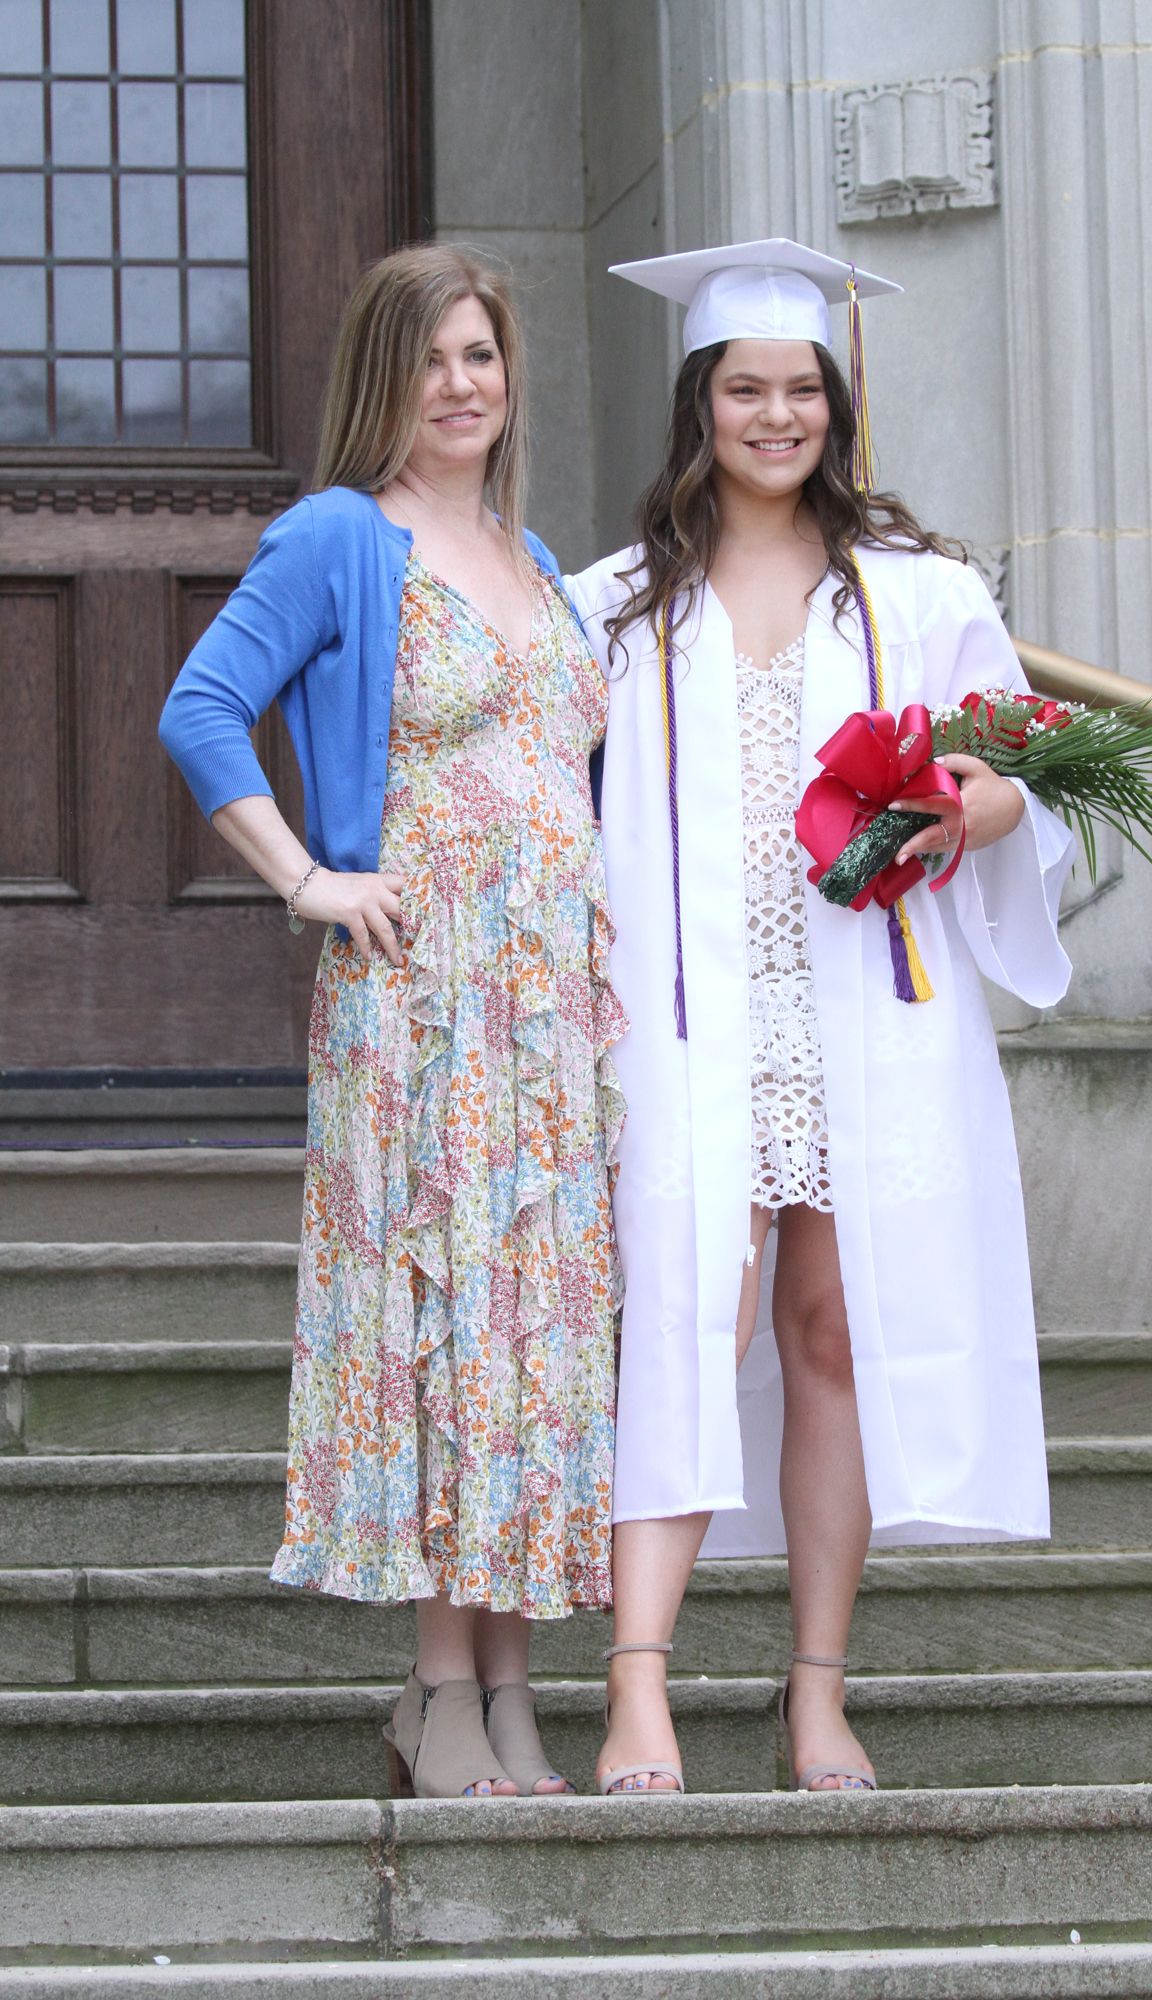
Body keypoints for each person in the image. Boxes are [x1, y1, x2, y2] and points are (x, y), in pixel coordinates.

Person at [564, 239, 1076, 1796]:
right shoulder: (614, 608)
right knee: (684, 1328)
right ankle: (637, 1692)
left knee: (831, 1331)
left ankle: (813, 1696)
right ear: (698, 404)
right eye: (743, 389)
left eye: (799, 390)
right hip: (690, 1025)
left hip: (863, 1010)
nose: (772, 416)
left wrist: (970, 819)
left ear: (835, 407)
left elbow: (1019, 778)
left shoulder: (922, 596)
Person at [160, 244, 626, 1799]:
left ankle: (506, 1686)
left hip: (548, 1021)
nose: (460, 386)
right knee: (447, 1335)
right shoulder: (339, 539)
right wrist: (305, 876)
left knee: (529, 1340)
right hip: (424, 1003)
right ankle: (438, 1690)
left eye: (481, 357)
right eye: (430, 359)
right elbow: (199, 707)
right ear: (384, 377)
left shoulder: (538, 556)